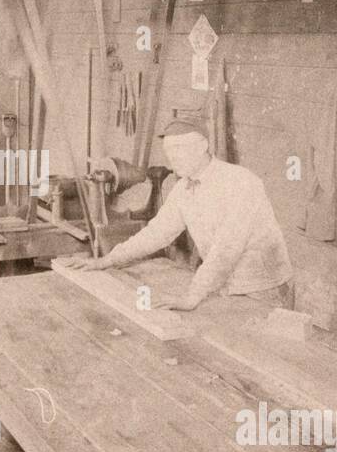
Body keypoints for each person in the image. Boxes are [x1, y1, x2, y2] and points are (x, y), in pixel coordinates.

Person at [60, 119, 294, 310]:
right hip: (223, 284)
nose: (172, 158)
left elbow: (227, 249)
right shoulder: (184, 187)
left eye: (179, 149)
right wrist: (107, 260)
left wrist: (192, 295)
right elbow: (157, 233)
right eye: (169, 151)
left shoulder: (241, 182)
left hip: (262, 288)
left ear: (203, 146)